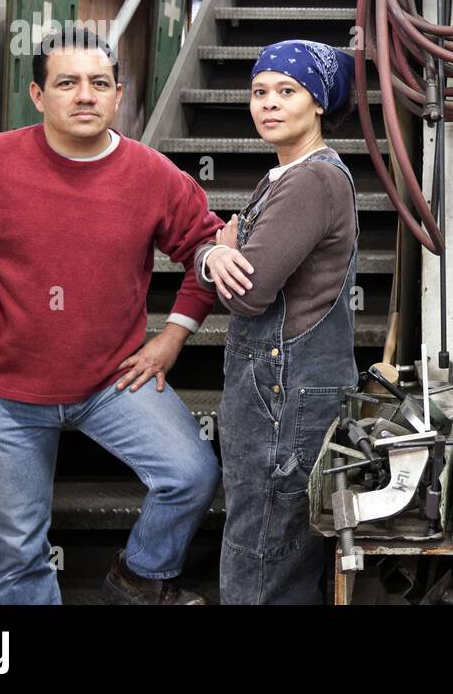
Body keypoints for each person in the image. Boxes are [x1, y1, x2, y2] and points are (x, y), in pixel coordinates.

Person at [0, 28, 224, 605]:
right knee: (18, 552)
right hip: (4, 389)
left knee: (191, 474)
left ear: (119, 95)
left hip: (112, 381)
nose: (85, 96)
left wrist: (174, 335)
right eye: (67, 83)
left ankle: (140, 577)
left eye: (99, 83)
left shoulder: (155, 176)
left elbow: (206, 250)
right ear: (38, 96)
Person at [196, 39, 359, 604]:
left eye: (287, 91)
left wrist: (222, 251)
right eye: (259, 92)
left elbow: (248, 293)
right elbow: (227, 265)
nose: (269, 103)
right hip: (277, 390)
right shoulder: (282, 177)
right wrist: (215, 253)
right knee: (269, 549)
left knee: (264, 561)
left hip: (284, 397)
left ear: (317, 103)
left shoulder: (311, 180)